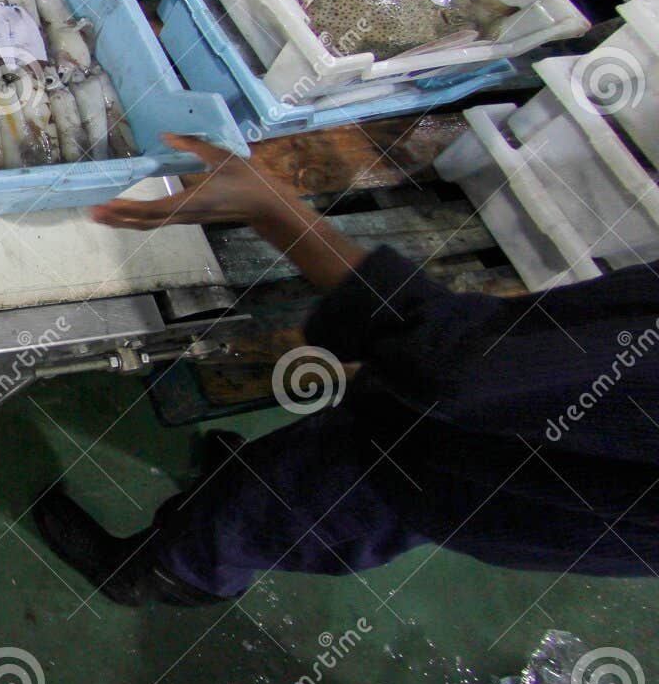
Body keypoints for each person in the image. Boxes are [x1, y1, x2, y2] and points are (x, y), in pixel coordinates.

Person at [35, 134, 659, 607]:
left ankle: (159, 573)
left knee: (282, 509)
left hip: (461, 469)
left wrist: (273, 210)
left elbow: (456, 368)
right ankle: (240, 487)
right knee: (327, 453)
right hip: (548, 460)